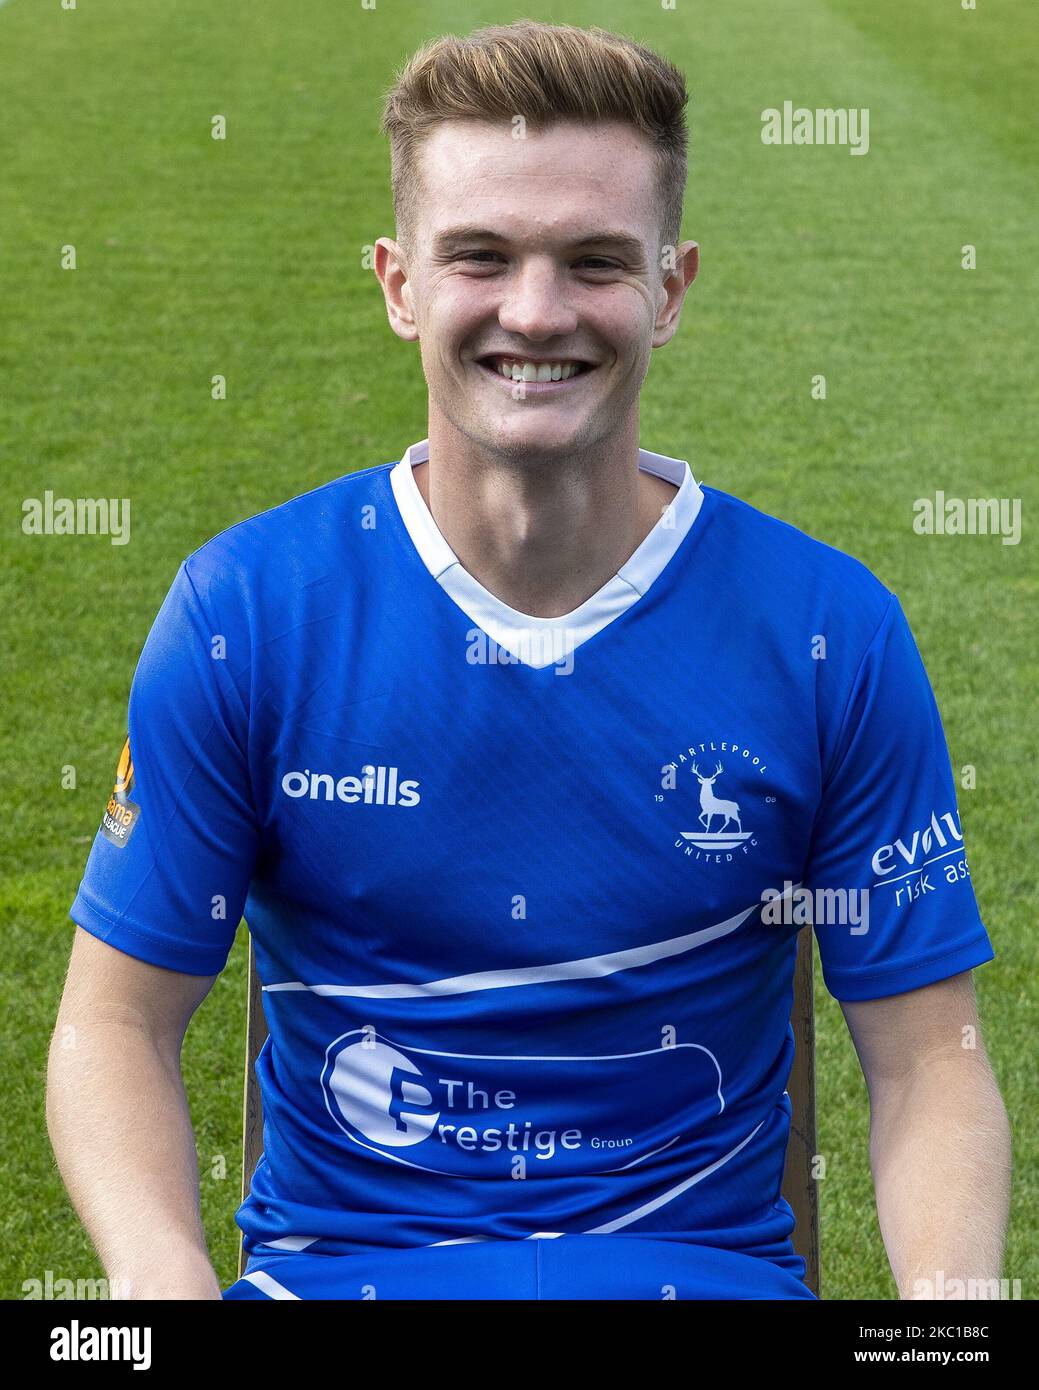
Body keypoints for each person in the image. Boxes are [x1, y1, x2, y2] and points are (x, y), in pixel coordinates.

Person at [48, 20, 1009, 1302]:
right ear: (399, 285)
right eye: (481, 258)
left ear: (669, 289)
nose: (536, 311)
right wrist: (156, 1276)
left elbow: (928, 1057)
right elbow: (114, 1022)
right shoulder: (248, 613)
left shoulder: (827, 628)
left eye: (595, 261)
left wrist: (949, 1310)